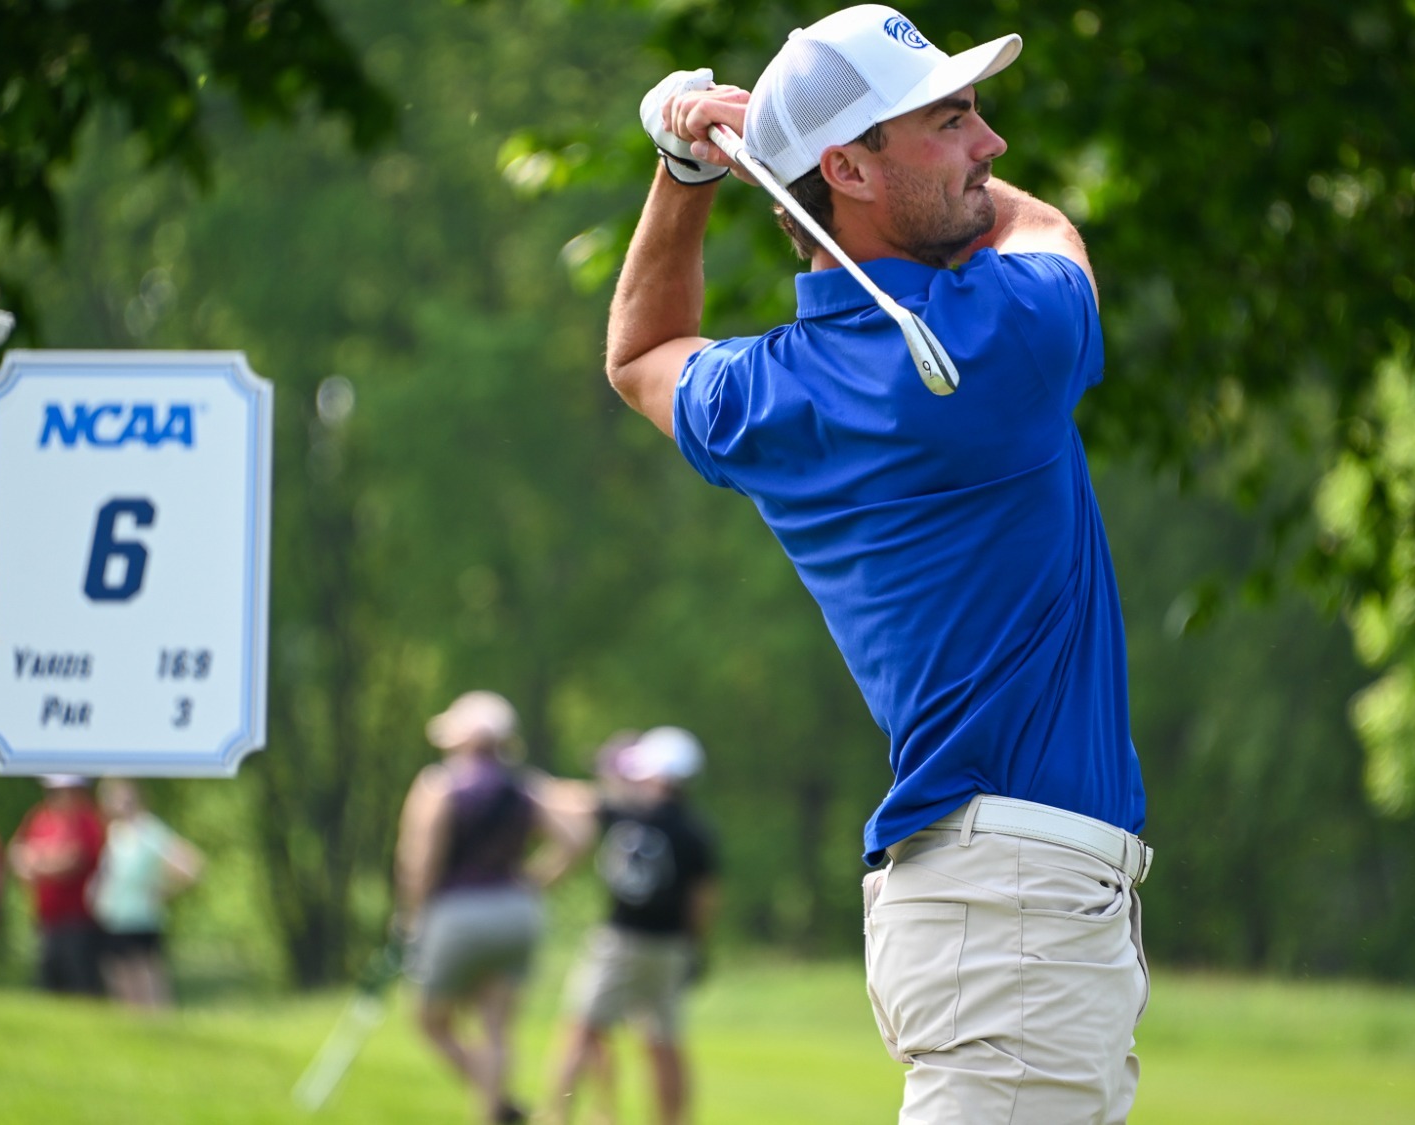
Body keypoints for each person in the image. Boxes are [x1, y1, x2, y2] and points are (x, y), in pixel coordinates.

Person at [611, 7, 1152, 1122]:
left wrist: (686, 171)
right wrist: (764, 165)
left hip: (995, 909)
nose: (988, 146)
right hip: (1010, 915)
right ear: (847, 166)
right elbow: (1047, 227)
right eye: (949, 121)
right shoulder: (1002, 337)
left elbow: (640, 353)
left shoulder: (771, 392)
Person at [393, 690, 589, 1124]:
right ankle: (497, 1110)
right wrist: (533, 881)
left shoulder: (441, 785)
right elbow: (575, 839)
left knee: (431, 1021)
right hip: (516, 912)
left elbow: (419, 861)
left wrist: (411, 918)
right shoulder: (524, 787)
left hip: (458, 912)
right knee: (497, 1027)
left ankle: (497, 1104)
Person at [548, 727, 720, 1125]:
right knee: (665, 1044)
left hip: (620, 941)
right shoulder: (697, 832)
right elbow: (704, 901)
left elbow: (574, 801)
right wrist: (696, 947)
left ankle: (556, 1115)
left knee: (580, 1028)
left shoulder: (627, 813)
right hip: (672, 947)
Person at [89, 778, 204, 1010]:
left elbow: (191, 865)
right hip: (114, 916)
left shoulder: (148, 830)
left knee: (145, 976)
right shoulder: (116, 832)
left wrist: (164, 889)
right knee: (119, 976)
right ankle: (133, 1033)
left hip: (141, 917)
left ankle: (158, 1027)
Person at [8, 774, 108, 996]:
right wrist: (46, 861)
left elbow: (74, 861)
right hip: (47, 919)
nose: (58, 797)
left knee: (81, 987)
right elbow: (17, 853)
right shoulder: (41, 817)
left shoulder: (87, 820)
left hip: (80, 920)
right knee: (50, 986)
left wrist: (39, 862)